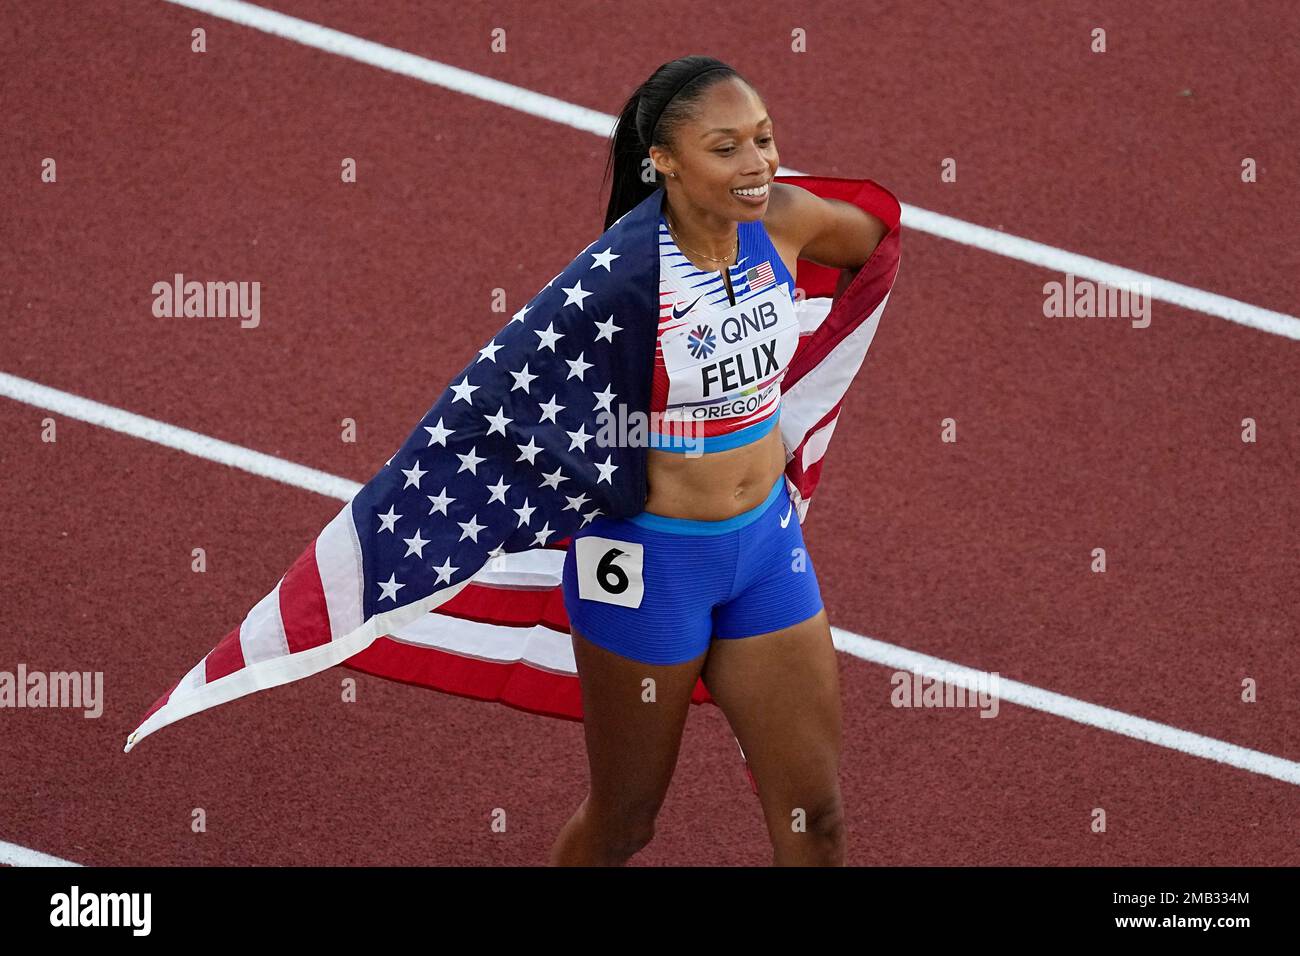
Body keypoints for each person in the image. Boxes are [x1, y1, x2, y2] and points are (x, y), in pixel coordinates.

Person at [549, 55, 889, 866]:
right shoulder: (617, 285)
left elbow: (874, 245)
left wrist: (802, 383)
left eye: (765, 140)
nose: (759, 163)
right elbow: (551, 422)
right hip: (651, 565)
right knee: (626, 823)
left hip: (766, 550)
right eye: (727, 147)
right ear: (664, 160)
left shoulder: (784, 221)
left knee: (820, 817)